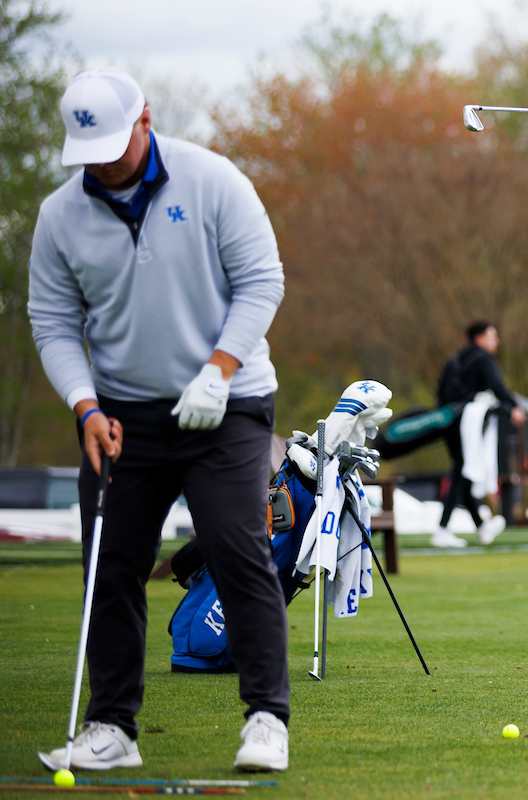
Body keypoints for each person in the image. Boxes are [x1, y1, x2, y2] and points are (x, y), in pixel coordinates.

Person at [29, 69, 290, 771]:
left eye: (117, 143)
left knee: (236, 552)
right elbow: (53, 321)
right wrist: (84, 405)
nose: (106, 162)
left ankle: (267, 719)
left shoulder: (213, 181)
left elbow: (262, 280)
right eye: (91, 150)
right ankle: (112, 729)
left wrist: (220, 368)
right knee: (109, 567)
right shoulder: (60, 216)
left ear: (146, 120)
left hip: (227, 403)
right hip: (120, 414)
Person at [431, 320, 526, 548]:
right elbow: (496, 385)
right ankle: (442, 529)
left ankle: (481, 527)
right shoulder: (483, 359)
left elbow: (440, 391)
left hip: (448, 419)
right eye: (493, 336)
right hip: (466, 422)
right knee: (461, 472)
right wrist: (513, 406)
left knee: (462, 471)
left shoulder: (457, 359)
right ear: (480, 338)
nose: (497, 341)